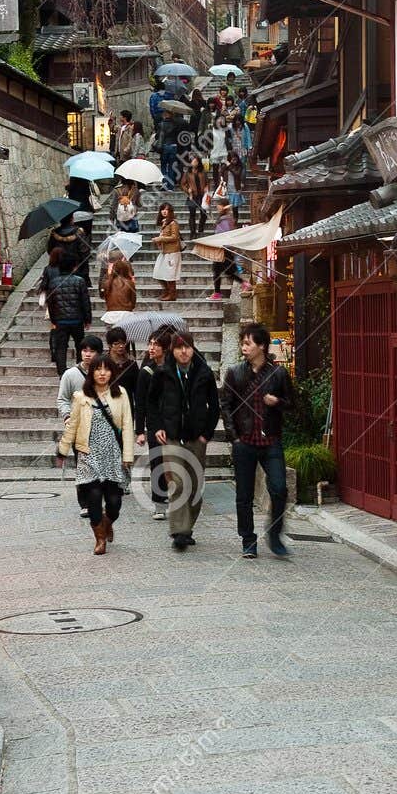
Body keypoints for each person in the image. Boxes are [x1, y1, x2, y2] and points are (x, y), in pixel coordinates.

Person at [222, 323, 292, 559]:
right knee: (244, 494)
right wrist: (235, 438)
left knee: (280, 488)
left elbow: (293, 404)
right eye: (242, 343)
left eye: (248, 343)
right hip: (245, 442)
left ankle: (275, 534)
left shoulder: (279, 373)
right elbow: (226, 406)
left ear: (261, 346)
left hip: (271, 440)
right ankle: (248, 540)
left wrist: (278, 402)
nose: (244, 347)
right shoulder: (235, 373)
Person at [147, 328, 220, 551]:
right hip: (171, 435)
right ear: (172, 350)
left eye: (187, 347)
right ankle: (179, 531)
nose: (184, 352)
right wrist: (157, 426)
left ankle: (187, 528)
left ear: (193, 348)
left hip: (195, 436)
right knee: (178, 482)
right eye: (179, 347)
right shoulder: (163, 372)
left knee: (195, 485)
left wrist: (206, 434)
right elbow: (151, 402)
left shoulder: (204, 373)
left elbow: (215, 407)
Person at [58, 354, 134, 556]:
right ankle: (100, 538)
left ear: (112, 372)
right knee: (93, 497)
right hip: (88, 454)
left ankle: (107, 523)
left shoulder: (121, 394)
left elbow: (127, 426)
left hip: (112, 454)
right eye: (97, 369)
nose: (102, 373)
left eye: (106, 369)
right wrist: (63, 449)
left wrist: (128, 455)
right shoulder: (80, 397)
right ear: (91, 373)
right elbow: (73, 425)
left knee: (114, 502)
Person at [135, 328, 174, 520]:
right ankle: (159, 503)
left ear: (165, 348)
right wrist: (139, 430)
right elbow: (140, 402)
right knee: (156, 461)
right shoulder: (146, 371)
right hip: (153, 422)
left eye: (156, 345)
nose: (151, 348)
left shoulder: (175, 369)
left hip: (173, 422)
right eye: (150, 344)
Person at [39, 250, 92, 377]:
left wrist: (53, 320)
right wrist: (87, 319)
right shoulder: (79, 281)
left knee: (61, 347)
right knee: (80, 345)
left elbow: (51, 303)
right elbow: (85, 302)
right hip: (77, 319)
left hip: (60, 320)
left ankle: (62, 372)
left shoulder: (53, 283)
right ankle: (80, 369)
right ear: (74, 266)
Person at [57, 334, 103, 419]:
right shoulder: (70, 374)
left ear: (99, 353)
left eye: (92, 351)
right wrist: (67, 416)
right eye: (85, 351)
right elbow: (63, 399)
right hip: (79, 420)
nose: (88, 354)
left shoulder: (105, 373)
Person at [151, 201, 182, 303]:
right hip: (165, 251)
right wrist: (159, 241)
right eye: (162, 209)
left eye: (167, 209)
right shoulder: (164, 222)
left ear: (170, 211)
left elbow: (175, 237)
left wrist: (160, 239)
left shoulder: (173, 223)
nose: (164, 211)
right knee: (158, 272)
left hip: (172, 252)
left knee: (169, 274)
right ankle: (166, 291)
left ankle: (172, 294)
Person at [210, 202, 240, 300]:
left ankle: (217, 293)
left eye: (219, 206)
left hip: (223, 249)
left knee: (222, 271)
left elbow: (224, 235)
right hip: (223, 248)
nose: (217, 207)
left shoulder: (225, 220)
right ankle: (217, 293)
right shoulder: (226, 218)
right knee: (222, 271)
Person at [106, 325, 142, 405]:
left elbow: (137, 389)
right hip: (108, 403)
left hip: (127, 404)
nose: (121, 346)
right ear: (109, 345)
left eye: (123, 343)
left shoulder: (131, 363)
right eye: (116, 344)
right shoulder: (104, 362)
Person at [180, 158, 209, 238]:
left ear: (198, 163)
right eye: (193, 161)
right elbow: (182, 184)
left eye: (196, 161)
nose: (194, 163)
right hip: (192, 196)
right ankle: (193, 232)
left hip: (202, 196)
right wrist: (187, 189)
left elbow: (207, 182)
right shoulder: (187, 173)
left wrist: (206, 187)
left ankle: (200, 229)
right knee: (192, 215)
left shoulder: (203, 172)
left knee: (204, 214)